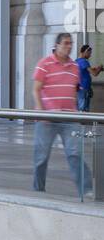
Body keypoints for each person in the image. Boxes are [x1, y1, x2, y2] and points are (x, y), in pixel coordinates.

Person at [31, 32, 91, 194]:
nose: (69, 46)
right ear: (57, 45)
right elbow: (36, 89)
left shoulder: (75, 67)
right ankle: (38, 189)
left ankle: (86, 190)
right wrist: (40, 111)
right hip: (47, 118)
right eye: (65, 43)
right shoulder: (44, 64)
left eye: (70, 43)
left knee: (75, 154)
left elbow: (73, 90)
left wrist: (76, 111)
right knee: (41, 157)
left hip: (69, 118)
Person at [75, 44, 101, 112]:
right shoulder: (84, 61)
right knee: (84, 110)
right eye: (89, 53)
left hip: (80, 88)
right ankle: (82, 122)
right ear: (85, 52)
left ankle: (81, 122)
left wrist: (95, 68)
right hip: (84, 89)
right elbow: (94, 73)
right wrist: (100, 68)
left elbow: (85, 70)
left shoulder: (77, 61)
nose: (90, 55)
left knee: (80, 108)